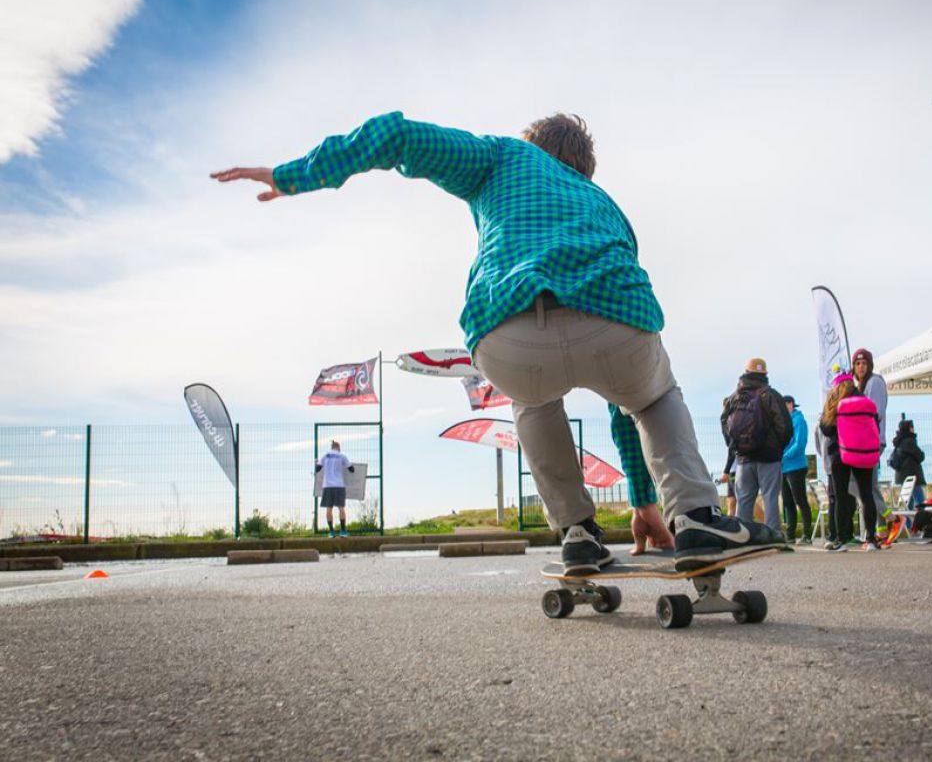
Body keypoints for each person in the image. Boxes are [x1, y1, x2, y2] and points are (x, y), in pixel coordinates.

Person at [214, 111, 784, 574]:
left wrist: (295, 175)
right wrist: (643, 500)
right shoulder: (605, 205)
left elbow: (396, 135)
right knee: (653, 398)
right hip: (617, 318)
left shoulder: (499, 156)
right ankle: (700, 515)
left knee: (532, 399)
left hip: (508, 333)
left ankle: (578, 534)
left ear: (531, 144)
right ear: (584, 169)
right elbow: (622, 410)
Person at [720, 358, 793, 532]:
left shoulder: (733, 397)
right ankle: (773, 536)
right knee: (770, 498)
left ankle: (742, 537)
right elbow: (785, 426)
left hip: (743, 459)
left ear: (745, 372)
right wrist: (777, 448)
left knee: (743, 499)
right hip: (769, 457)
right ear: (765, 374)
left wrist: (736, 447)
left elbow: (725, 424)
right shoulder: (770, 395)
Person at [819, 373, 884, 550]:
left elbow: (825, 429)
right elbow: (875, 424)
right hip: (862, 452)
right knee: (866, 494)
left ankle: (841, 540)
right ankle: (870, 539)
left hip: (838, 453)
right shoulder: (862, 398)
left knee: (841, 496)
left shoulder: (833, 400)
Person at [608, 404, 674, 555]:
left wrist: (639, 511)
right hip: (631, 402)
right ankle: (644, 511)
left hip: (630, 404)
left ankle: (640, 513)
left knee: (642, 463)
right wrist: (645, 507)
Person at [850, 348, 892, 537]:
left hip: (871, 442)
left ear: (870, 365)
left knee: (861, 486)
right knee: (869, 486)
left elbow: (874, 413)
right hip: (864, 442)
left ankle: (890, 516)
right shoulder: (860, 385)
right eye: (857, 364)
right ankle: (881, 528)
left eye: (864, 363)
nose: (860, 367)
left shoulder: (874, 382)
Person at [780, 395, 813, 543]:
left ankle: (807, 534)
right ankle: (791, 534)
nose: (784, 407)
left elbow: (799, 444)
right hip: (784, 468)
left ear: (792, 404)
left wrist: (783, 456)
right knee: (787, 502)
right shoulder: (782, 422)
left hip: (796, 466)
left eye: (786, 404)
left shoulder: (799, 420)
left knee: (800, 500)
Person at [315, 440, 355, 538]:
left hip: (327, 486)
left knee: (329, 509)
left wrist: (317, 463)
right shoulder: (342, 456)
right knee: (341, 508)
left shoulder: (325, 456)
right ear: (338, 447)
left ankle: (331, 532)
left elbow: (317, 469)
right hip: (339, 485)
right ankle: (343, 531)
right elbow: (351, 470)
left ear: (331, 447)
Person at [889, 419, 926, 514]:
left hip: (902, 477)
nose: (913, 429)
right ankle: (922, 524)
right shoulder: (909, 441)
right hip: (912, 477)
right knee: (921, 503)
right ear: (909, 428)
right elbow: (920, 456)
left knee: (907, 504)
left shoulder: (899, 441)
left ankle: (908, 526)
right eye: (912, 427)